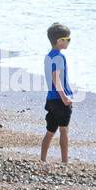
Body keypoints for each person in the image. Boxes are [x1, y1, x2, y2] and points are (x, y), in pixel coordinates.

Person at [40, 23, 73, 163]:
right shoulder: (59, 57)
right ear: (60, 41)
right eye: (68, 39)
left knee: (50, 131)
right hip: (60, 99)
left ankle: (42, 159)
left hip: (51, 99)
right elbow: (55, 77)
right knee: (64, 130)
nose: (69, 42)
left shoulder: (48, 56)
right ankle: (64, 160)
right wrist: (64, 96)